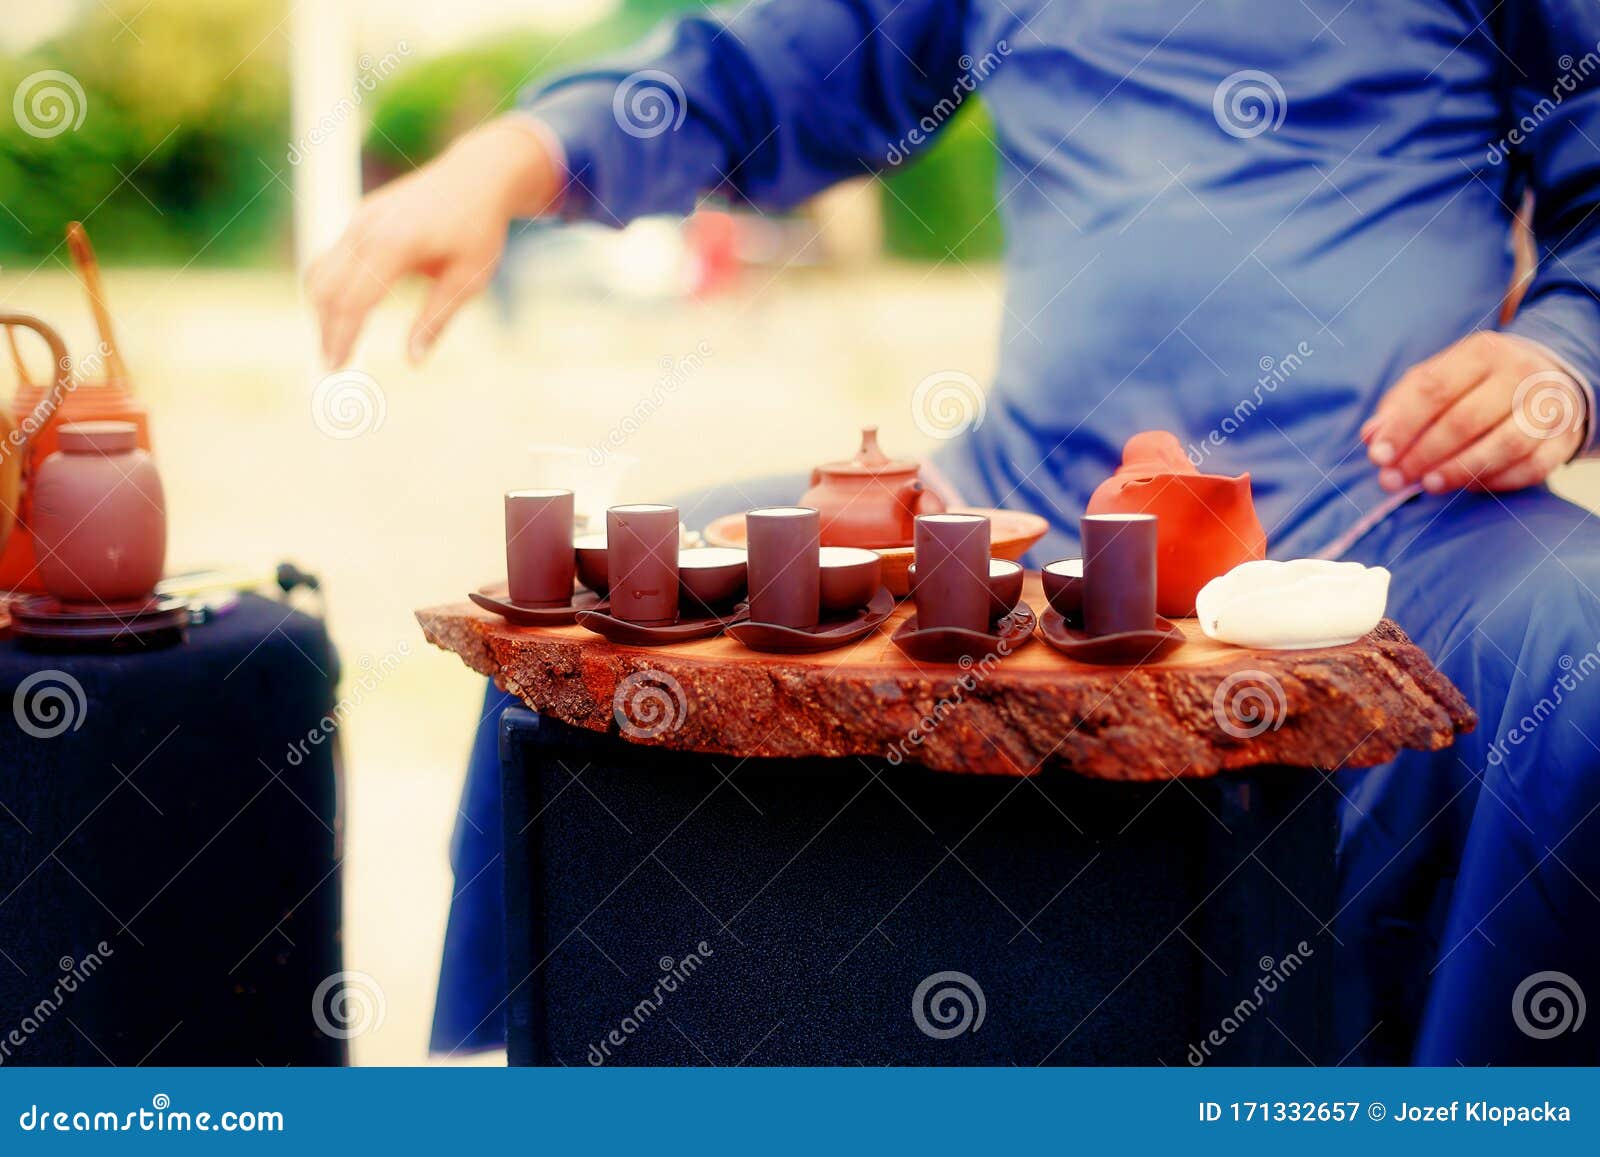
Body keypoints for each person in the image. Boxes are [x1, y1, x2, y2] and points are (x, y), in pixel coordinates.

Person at [310, 1, 1600, 1064]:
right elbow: (768, 62)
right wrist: (511, 158)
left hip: (1389, 516)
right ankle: (512, 1079)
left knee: (1585, 650)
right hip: (1027, 513)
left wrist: (1557, 358)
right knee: (598, 592)